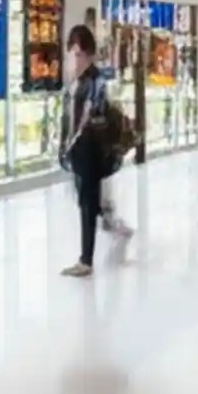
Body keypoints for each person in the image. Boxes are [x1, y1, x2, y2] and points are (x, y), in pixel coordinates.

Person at [60, 24, 133, 278]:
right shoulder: (76, 83)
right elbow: (67, 118)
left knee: (87, 202)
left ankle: (86, 260)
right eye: (72, 53)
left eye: (80, 54)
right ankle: (111, 224)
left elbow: (98, 116)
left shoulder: (96, 82)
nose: (75, 59)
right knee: (85, 200)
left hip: (91, 150)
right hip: (79, 150)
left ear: (90, 55)